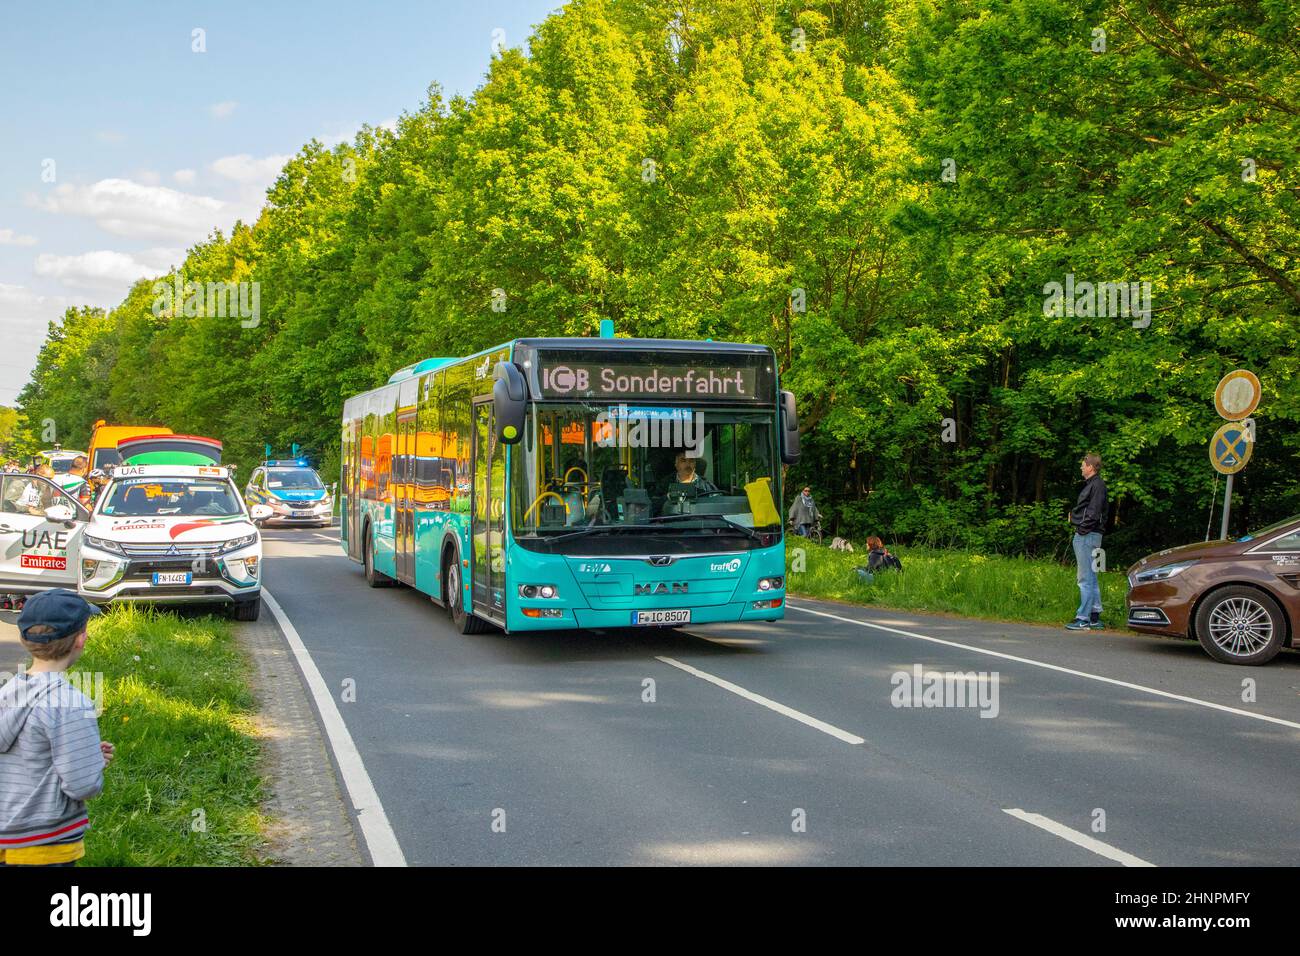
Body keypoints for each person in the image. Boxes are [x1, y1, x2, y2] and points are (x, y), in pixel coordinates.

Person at [0, 589, 113, 866]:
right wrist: (91, 762)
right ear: (81, 639)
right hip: (45, 844)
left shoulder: (8, 691)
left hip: (6, 838)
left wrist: (80, 751)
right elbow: (83, 785)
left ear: (24, 639)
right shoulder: (72, 703)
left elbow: (24, 753)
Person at [1066, 452, 1108, 630]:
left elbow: (1094, 512)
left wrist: (1081, 529)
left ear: (1091, 467)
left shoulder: (1096, 485)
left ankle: (1082, 618)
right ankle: (1094, 617)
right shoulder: (1095, 485)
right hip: (1092, 535)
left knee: (1085, 577)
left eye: (1083, 464)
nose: (1081, 467)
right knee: (1092, 575)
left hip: (1087, 536)